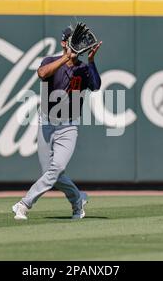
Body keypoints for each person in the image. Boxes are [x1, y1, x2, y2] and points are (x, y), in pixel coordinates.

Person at [12, 27, 103, 220]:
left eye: (78, 42)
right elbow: (42, 73)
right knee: (51, 173)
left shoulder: (83, 68)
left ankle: (24, 204)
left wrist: (92, 61)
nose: (77, 46)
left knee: (57, 168)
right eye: (72, 41)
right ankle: (78, 200)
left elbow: (95, 86)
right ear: (63, 43)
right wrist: (66, 57)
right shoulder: (51, 61)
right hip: (46, 122)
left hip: (68, 125)